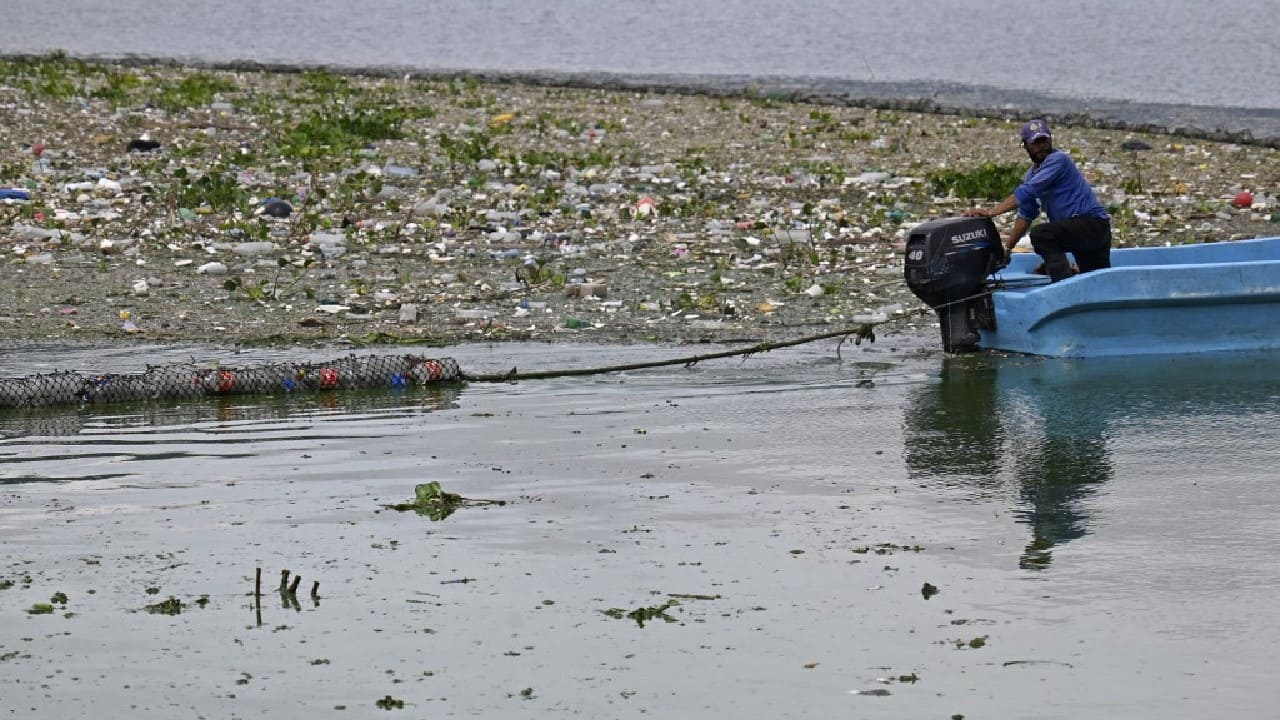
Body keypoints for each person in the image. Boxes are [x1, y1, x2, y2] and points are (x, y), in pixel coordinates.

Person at [968, 118, 1111, 282]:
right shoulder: (1031, 175)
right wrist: (1008, 248)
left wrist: (991, 213)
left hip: (1093, 226)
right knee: (1094, 279)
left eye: (1044, 141)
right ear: (1025, 146)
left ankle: (1062, 283)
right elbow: (1025, 215)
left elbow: (1027, 191)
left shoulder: (1058, 160)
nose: (1041, 147)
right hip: (1075, 233)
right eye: (1035, 143)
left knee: (1042, 235)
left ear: (1050, 139)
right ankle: (1066, 278)